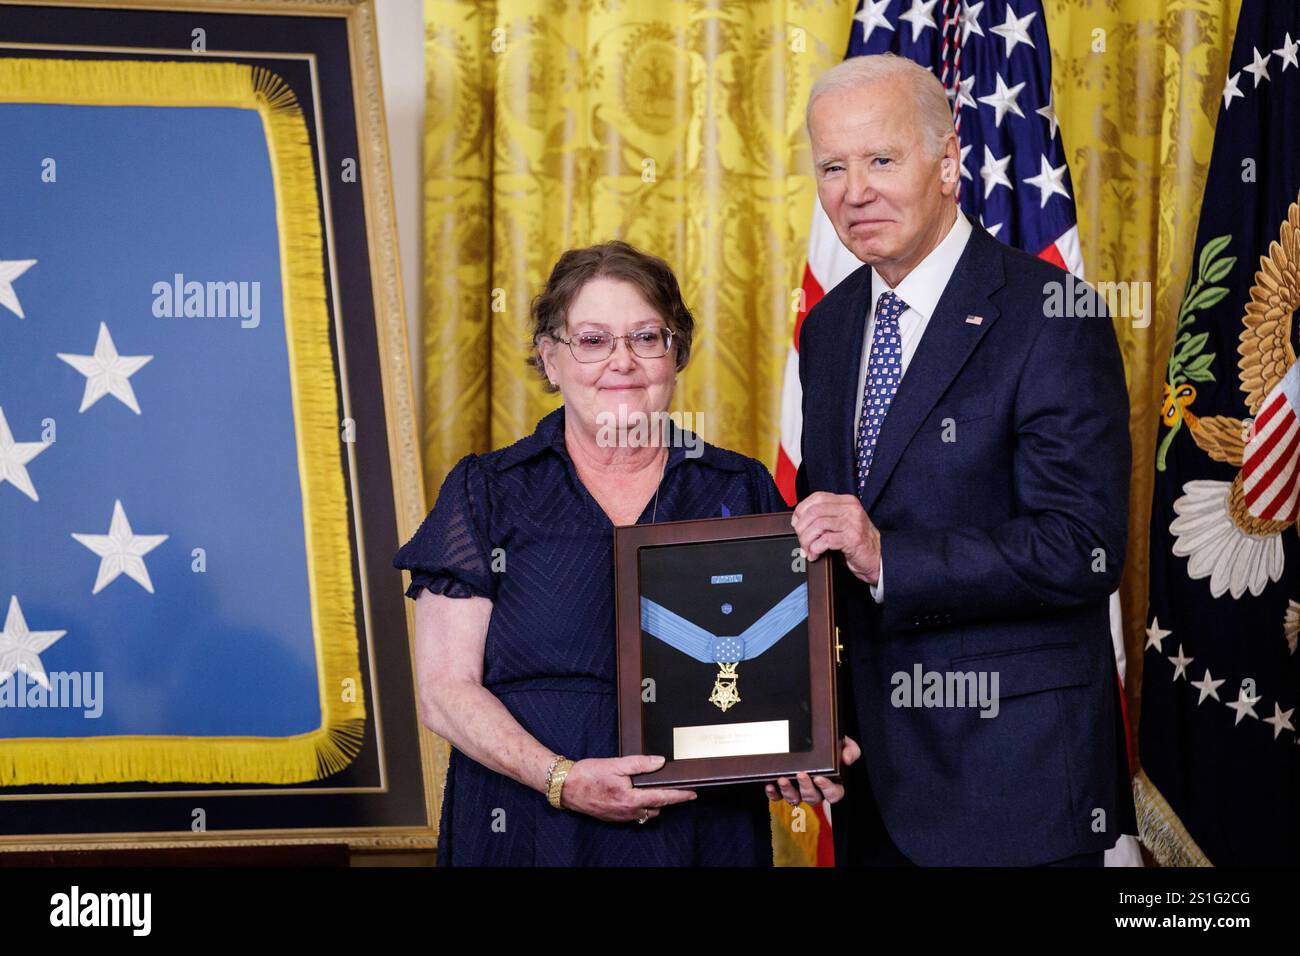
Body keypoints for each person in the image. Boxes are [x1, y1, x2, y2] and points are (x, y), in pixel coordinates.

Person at [396, 240, 851, 866]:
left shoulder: (737, 487)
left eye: (646, 338)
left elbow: (776, 670)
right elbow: (444, 691)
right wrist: (561, 779)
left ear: (676, 354)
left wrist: (799, 750)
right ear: (550, 359)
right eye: (592, 340)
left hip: (697, 829)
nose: (622, 362)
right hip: (529, 824)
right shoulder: (488, 491)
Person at [789, 53, 1136, 866]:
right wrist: (791, 716)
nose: (854, 191)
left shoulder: (1053, 313)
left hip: (1016, 780)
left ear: (949, 163)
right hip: (871, 780)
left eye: (881, 159)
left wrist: (889, 556)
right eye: (832, 167)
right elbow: (821, 537)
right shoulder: (830, 327)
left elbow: (1081, 546)